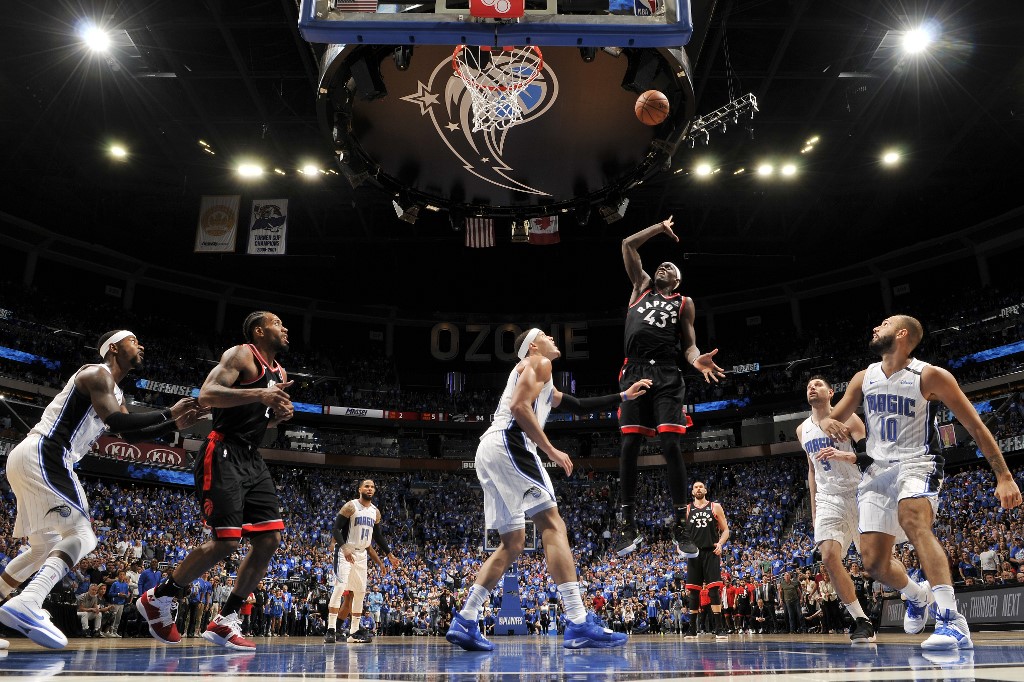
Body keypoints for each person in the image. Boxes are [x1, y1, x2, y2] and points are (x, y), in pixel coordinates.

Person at [818, 314, 1022, 649]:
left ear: (901, 334)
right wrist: (828, 424)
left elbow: (975, 426)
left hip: (918, 462)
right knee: (873, 563)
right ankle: (916, 595)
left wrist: (1004, 475)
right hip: (877, 471)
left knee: (912, 518)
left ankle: (951, 620)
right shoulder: (863, 377)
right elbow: (832, 418)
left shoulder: (929, 375)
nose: (874, 327)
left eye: (882, 324)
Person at [446, 329, 649, 651]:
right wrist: (551, 451)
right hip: (510, 443)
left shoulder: (542, 376)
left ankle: (466, 618)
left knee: (512, 543)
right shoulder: (539, 361)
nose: (554, 338)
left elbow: (577, 404)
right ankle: (579, 621)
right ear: (534, 346)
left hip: (488, 450)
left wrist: (624, 396)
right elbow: (519, 407)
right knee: (553, 525)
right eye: (546, 335)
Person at [0, 330, 202, 649]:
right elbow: (119, 424)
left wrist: (173, 425)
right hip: (48, 452)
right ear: (113, 348)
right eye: (134, 341)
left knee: (41, 550)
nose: (142, 345)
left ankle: (19, 602)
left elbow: (130, 435)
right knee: (83, 536)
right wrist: (170, 413)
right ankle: (28, 602)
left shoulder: (114, 392)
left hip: (29, 456)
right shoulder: (97, 373)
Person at [137, 311, 296, 651]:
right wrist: (260, 396)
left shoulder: (280, 373)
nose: (285, 329)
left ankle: (225, 619)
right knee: (227, 542)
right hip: (222, 450)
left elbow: (262, 420)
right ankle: (159, 597)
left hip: (252, 458)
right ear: (259, 330)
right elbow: (207, 394)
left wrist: (278, 415)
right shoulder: (241, 354)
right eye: (278, 323)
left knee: (269, 539)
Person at [612, 216, 725, 559]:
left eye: (668, 266)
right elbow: (628, 245)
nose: (661, 266)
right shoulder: (640, 286)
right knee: (629, 442)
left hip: (667, 372)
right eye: (659, 264)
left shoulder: (683, 303)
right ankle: (626, 522)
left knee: (669, 442)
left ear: (676, 279)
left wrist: (696, 360)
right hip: (634, 371)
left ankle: (681, 524)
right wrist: (660, 229)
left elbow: (689, 346)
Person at [797, 375, 875, 643]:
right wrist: (814, 508)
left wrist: (844, 455)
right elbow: (811, 470)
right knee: (829, 557)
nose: (812, 387)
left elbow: (870, 458)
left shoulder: (850, 419)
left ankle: (914, 593)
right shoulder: (802, 430)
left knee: (875, 563)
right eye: (809, 385)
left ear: (831, 392)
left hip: (858, 492)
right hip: (828, 497)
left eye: (818, 384)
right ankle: (861, 620)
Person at [324, 479, 398, 644]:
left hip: (362, 555)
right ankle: (330, 629)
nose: (370, 489)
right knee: (340, 588)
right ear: (360, 489)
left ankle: (354, 631)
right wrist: (344, 547)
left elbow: (377, 536)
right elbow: (335, 529)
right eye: (367, 486)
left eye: (372, 487)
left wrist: (389, 554)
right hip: (345, 552)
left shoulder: (375, 512)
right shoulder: (351, 506)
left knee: (359, 592)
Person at [681, 481, 730, 640]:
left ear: (706, 490)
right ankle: (692, 628)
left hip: (711, 552)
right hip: (694, 554)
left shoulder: (715, 507)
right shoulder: (687, 509)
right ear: (692, 492)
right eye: (695, 487)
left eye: (701, 486)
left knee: (714, 590)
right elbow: (681, 533)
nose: (698, 488)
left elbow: (726, 530)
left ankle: (719, 628)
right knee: (693, 592)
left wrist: (721, 544)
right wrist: (680, 546)